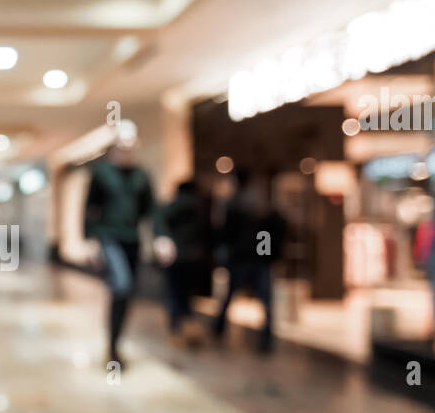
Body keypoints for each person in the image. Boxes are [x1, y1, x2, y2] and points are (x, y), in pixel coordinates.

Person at [83, 121, 173, 367]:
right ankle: (112, 347)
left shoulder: (141, 176)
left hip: (132, 240)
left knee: (126, 292)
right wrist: (91, 240)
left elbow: (152, 211)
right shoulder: (102, 174)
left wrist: (161, 237)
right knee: (121, 285)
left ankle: (115, 342)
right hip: (108, 238)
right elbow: (90, 209)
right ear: (115, 147)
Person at [212, 169, 286, 353]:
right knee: (263, 302)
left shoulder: (237, 204)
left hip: (244, 257)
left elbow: (229, 234)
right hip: (255, 258)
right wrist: (267, 254)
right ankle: (265, 338)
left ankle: (220, 328)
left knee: (233, 296)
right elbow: (269, 231)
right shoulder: (259, 204)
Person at [154, 178, 208, 345]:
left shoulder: (177, 204)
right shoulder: (200, 206)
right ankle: (188, 327)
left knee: (174, 292)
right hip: (194, 257)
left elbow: (159, 217)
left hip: (177, 257)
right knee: (186, 295)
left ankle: (177, 329)